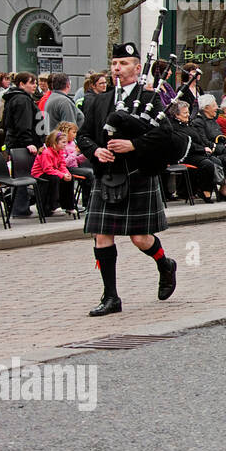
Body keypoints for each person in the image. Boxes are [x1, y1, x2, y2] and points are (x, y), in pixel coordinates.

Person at [76, 43, 186, 316]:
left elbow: (165, 136)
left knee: (139, 238)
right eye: (114, 63)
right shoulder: (99, 100)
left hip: (137, 174)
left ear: (138, 68)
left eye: (124, 63)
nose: (117, 68)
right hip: (107, 175)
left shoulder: (151, 99)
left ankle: (165, 264)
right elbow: (83, 135)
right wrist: (95, 151)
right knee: (102, 235)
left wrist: (134, 145)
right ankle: (111, 297)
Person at [1, 72, 41, 217]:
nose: (35, 85)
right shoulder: (22, 100)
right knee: (22, 177)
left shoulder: (13, 98)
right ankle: (20, 208)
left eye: (35, 82)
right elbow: (23, 125)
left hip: (14, 143)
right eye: (32, 83)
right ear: (22, 84)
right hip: (21, 145)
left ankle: (20, 207)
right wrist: (29, 142)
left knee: (20, 176)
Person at [169, 100, 222, 203]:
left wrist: (206, 147)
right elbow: (184, 142)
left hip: (196, 153)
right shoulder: (174, 126)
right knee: (207, 164)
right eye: (185, 113)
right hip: (184, 154)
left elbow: (199, 138)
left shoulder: (189, 124)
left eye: (188, 112)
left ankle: (217, 189)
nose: (188, 114)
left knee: (217, 161)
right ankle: (205, 191)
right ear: (176, 114)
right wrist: (202, 149)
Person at [31, 129, 78, 216]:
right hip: (40, 173)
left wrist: (66, 174)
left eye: (66, 142)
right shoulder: (46, 153)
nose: (65, 144)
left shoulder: (60, 151)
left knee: (69, 178)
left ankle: (69, 206)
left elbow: (62, 165)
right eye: (63, 142)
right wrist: (62, 175)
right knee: (55, 178)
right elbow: (47, 169)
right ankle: (54, 205)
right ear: (55, 143)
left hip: (52, 171)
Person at [56, 121, 92, 204]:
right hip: (67, 169)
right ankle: (87, 202)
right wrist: (75, 152)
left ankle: (87, 200)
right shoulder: (62, 144)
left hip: (74, 167)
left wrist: (85, 154)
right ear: (66, 132)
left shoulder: (72, 143)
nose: (75, 135)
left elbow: (77, 160)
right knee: (89, 174)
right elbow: (65, 162)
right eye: (73, 132)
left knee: (91, 173)